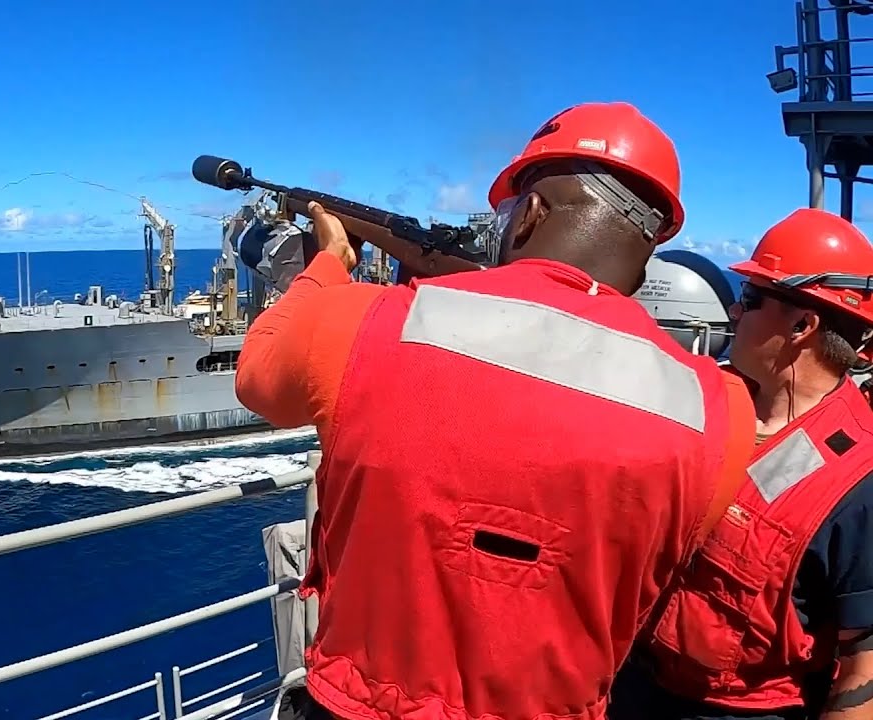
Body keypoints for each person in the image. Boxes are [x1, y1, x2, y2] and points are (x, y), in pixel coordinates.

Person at [236, 101, 757, 720]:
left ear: (532, 211)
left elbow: (259, 376)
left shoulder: (366, 320)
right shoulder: (720, 410)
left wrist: (328, 262)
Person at [608, 208, 873, 720]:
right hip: (634, 684)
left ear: (803, 325)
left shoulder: (857, 478)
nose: (733, 313)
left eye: (751, 300)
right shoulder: (698, 399)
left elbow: (863, 666)